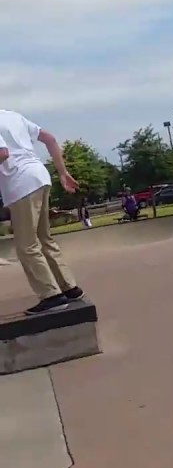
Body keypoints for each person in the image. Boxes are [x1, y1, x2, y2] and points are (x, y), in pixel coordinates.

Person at [0, 109, 87, 314]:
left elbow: (3, 153)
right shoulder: (12, 116)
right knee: (44, 239)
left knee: (27, 246)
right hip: (39, 175)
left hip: (20, 183)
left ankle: (52, 296)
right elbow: (49, 138)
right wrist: (63, 172)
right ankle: (69, 288)